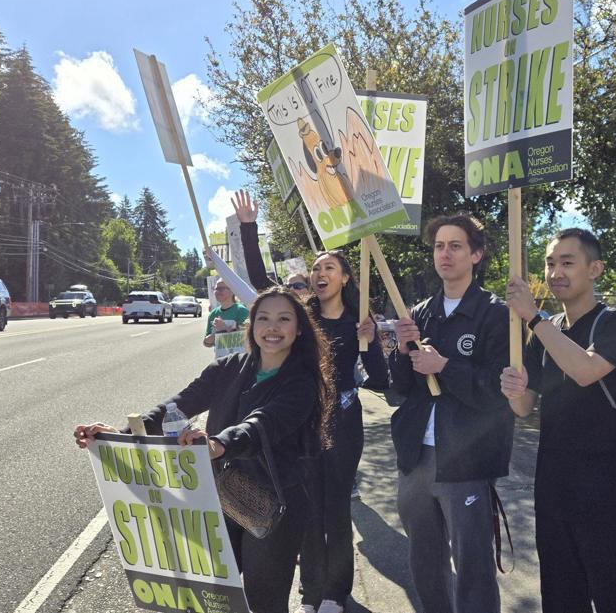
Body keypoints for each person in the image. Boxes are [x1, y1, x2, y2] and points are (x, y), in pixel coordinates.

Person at [74, 287, 336, 613]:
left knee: (264, 601)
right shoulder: (226, 368)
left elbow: (261, 425)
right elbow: (177, 407)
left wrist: (218, 444)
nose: (273, 328)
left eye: (284, 319)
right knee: (205, 594)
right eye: (264, 318)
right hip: (215, 499)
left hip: (273, 503)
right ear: (251, 326)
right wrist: (121, 435)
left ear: (299, 329)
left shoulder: (302, 382)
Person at [231, 189, 387, 613]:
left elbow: (383, 381)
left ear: (345, 278)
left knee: (335, 512)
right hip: (301, 424)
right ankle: (311, 593)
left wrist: (370, 345)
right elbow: (265, 285)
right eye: (316, 268)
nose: (319, 273)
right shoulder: (303, 315)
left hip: (343, 425)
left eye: (329, 267)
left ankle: (336, 593)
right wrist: (249, 227)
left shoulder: (361, 322)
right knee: (305, 509)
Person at [499, 228, 616, 613]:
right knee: (563, 599)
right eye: (550, 263)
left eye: (567, 262)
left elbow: (585, 370)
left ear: (594, 269)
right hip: (555, 491)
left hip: (611, 492)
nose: (555, 272)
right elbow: (523, 409)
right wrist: (513, 388)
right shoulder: (543, 336)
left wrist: (533, 316)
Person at [389, 213, 513, 613]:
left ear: (476, 255)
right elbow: (400, 389)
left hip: (465, 462)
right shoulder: (420, 313)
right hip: (416, 459)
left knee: (473, 567)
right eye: (439, 246)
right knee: (424, 562)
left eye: (455, 245)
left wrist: (444, 366)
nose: (445, 253)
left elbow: (499, 392)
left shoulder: (496, 314)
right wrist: (401, 351)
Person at [203, 277, 249, 348]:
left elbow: (247, 337)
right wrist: (215, 335)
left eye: (221, 288)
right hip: (221, 358)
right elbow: (206, 343)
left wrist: (223, 329)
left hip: (239, 357)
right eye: (216, 289)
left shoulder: (241, 311)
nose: (218, 291)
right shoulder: (213, 314)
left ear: (232, 291)